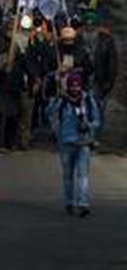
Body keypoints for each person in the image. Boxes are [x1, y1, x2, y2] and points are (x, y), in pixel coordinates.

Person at [47, 70, 101, 216]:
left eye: (77, 86)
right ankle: (69, 202)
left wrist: (88, 125)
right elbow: (48, 113)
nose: (75, 89)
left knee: (83, 175)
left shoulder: (88, 100)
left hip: (84, 142)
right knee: (68, 175)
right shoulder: (62, 101)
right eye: (72, 86)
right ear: (68, 86)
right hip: (66, 142)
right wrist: (55, 100)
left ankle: (83, 204)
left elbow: (97, 120)